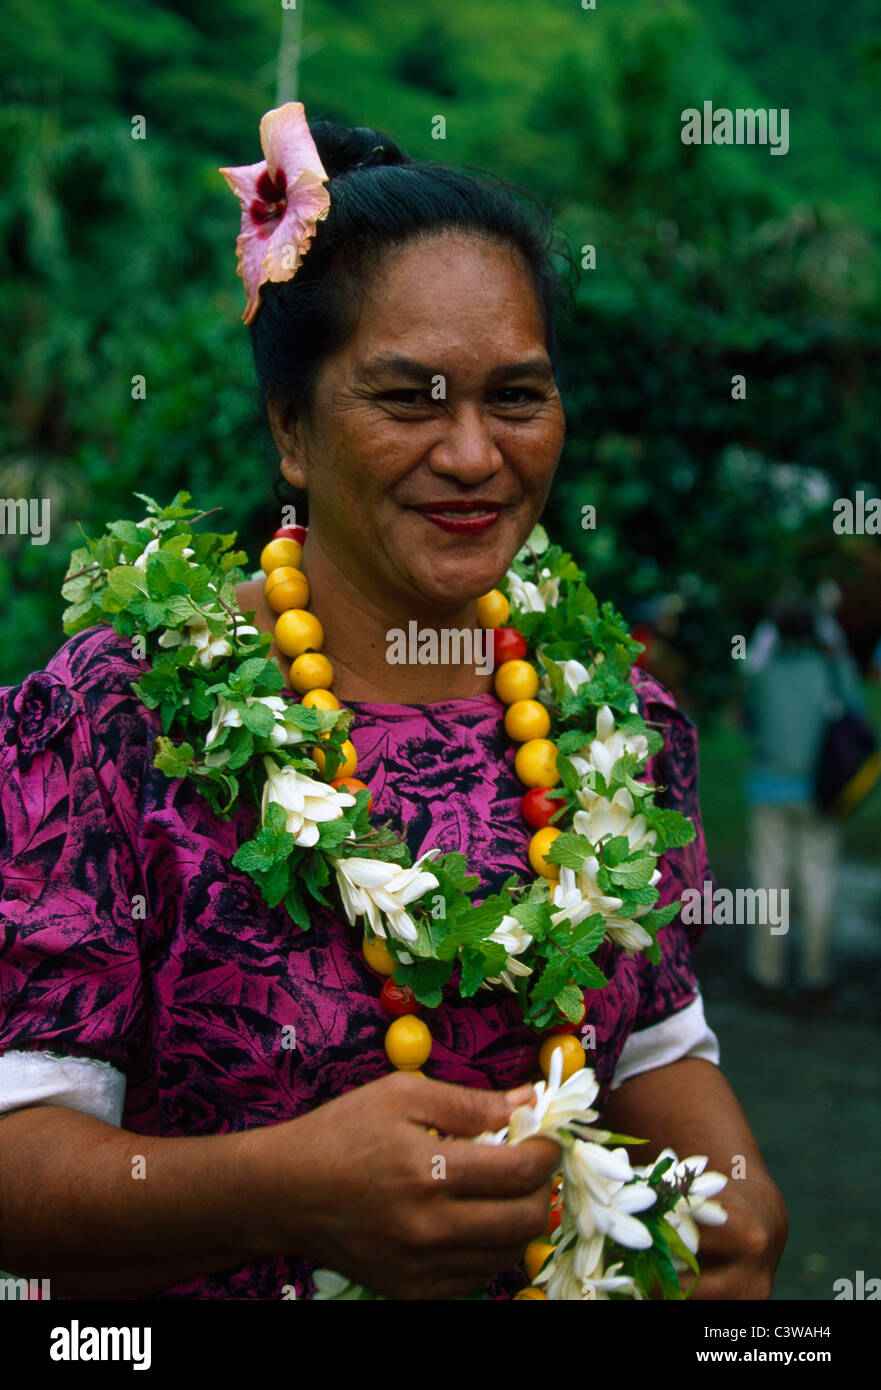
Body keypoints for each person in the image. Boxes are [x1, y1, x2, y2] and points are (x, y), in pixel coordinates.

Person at [0, 111, 786, 1301]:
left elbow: (657, 1044)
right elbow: (22, 1164)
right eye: (408, 399)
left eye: (515, 396)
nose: (473, 456)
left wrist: (735, 1202)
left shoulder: (615, 721)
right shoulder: (112, 720)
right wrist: (284, 1190)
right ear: (290, 431)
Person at [743, 592, 863, 1003]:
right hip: (817, 793)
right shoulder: (832, 670)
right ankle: (816, 974)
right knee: (819, 880)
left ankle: (768, 973)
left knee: (769, 885)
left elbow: (747, 706)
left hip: (767, 789)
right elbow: (856, 708)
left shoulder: (764, 672)